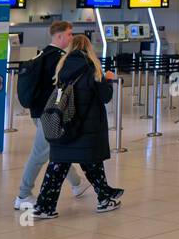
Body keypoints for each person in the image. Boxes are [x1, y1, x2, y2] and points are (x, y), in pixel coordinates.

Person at [32, 34, 123, 219]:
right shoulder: (92, 69)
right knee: (92, 162)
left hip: (63, 124)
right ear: (88, 48)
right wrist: (109, 80)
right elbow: (105, 97)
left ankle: (44, 206)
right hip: (86, 127)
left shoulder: (61, 67)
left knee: (57, 166)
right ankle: (105, 198)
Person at [13, 21, 84, 210]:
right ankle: (23, 194)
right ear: (59, 36)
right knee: (40, 153)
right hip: (50, 114)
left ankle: (77, 183)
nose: (71, 37)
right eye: (69, 34)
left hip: (39, 111)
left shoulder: (42, 55)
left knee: (57, 148)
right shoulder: (59, 59)